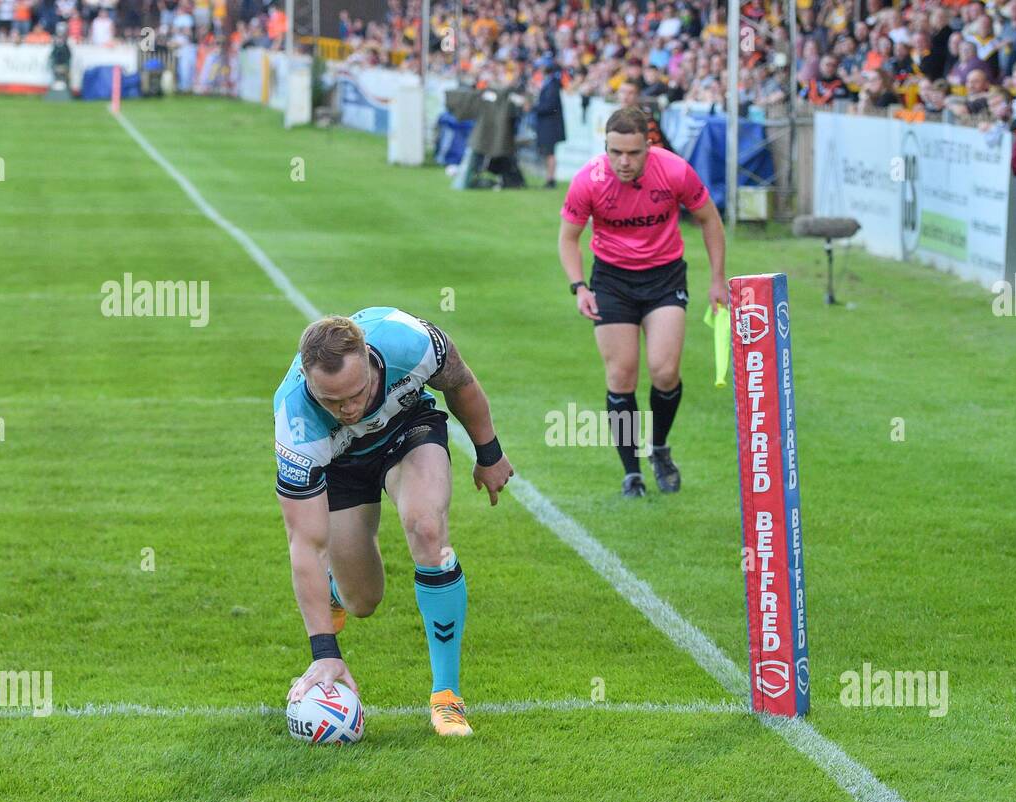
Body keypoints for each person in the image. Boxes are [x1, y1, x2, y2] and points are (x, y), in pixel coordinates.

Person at [277, 310, 514, 736]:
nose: (349, 409)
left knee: (427, 528)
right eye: (332, 401)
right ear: (309, 381)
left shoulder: (410, 340)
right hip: (342, 467)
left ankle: (447, 697)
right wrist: (324, 651)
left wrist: (489, 453)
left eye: (357, 393)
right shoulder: (296, 423)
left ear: (370, 358)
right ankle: (337, 590)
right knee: (362, 600)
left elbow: (460, 383)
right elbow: (306, 543)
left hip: (408, 433)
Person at [557, 107, 727, 498]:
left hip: (665, 277)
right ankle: (631, 472)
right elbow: (569, 238)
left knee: (664, 372)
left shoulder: (675, 171)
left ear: (648, 147)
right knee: (621, 377)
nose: (624, 162)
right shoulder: (588, 180)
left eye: (633, 153)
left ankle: (660, 448)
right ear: (606, 147)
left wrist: (718, 280)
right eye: (616, 152)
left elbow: (710, 220)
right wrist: (579, 286)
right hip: (613, 281)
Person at [533, 53, 565, 188]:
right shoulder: (551, 83)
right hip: (549, 124)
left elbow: (550, 106)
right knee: (548, 152)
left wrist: (534, 107)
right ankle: (549, 178)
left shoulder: (552, 84)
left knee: (550, 152)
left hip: (550, 125)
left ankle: (551, 179)